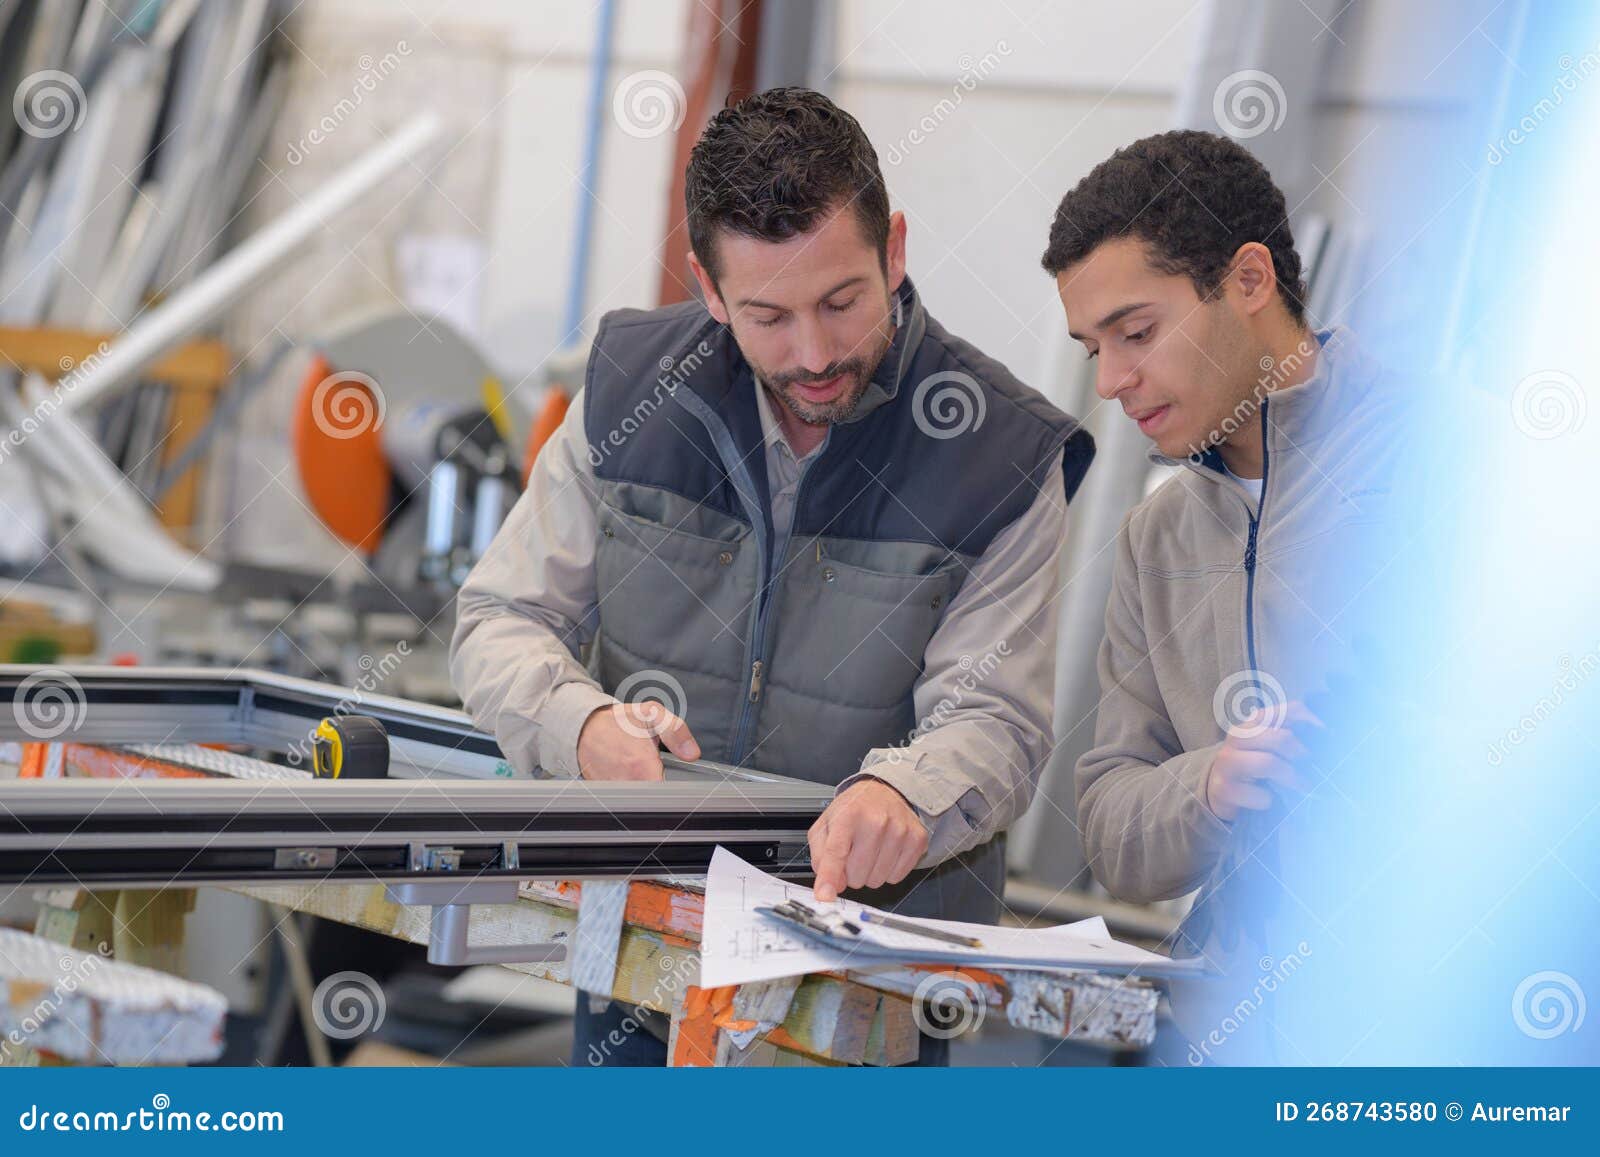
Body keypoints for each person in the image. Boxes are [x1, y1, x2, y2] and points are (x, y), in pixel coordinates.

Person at [451, 87, 1095, 1066]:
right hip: (641, 944)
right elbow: (499, 615)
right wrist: (578, 722)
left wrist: (906, 795)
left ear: (896, 250)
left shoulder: (999, 457)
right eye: (767, 315)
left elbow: (994, 718)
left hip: (870, 982)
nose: (815, 352)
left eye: (841, 300)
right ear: (710, 292)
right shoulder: (628, 392)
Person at [1044, 130, 1401, 1062]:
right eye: (1094, 348)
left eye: (1137, 332)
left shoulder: (1453, 462)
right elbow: (1113, 825)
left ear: (1249, 281)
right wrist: (1210, 783)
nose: (1113, 381)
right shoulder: (1154, 538)